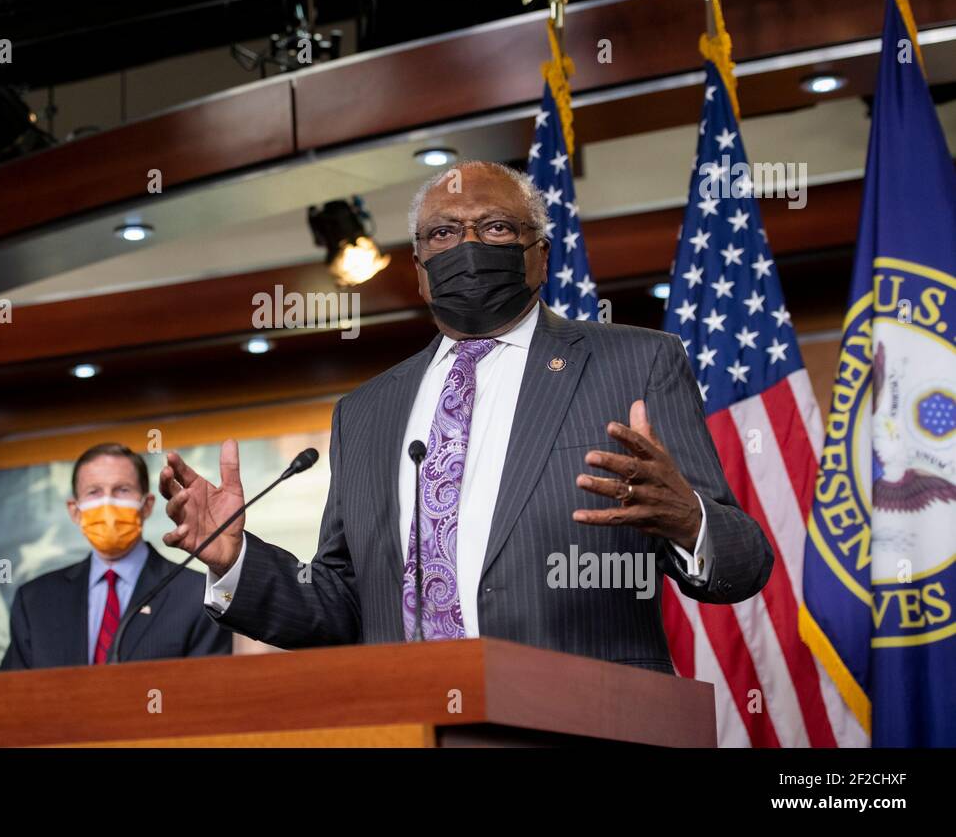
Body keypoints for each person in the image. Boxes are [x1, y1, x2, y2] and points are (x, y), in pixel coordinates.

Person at [161, 160, 773, 673]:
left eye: (498, 228)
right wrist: (236, 558)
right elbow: (346, 606)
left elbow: (743, 565)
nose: (469, 246)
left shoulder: (636, 363)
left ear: (541, 256)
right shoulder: (365, 412)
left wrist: (690, 519)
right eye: (443, 234)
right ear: (421, 273)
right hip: (416, 723)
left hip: (584, 722)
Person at [0, 442, 231, 669]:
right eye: (94, 492)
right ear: (74, 510)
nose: (107, 503)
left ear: (147, 505)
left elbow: (209, 696)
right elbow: (9, 697)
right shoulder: (35, 601)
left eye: (122, 490)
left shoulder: (198, 595)